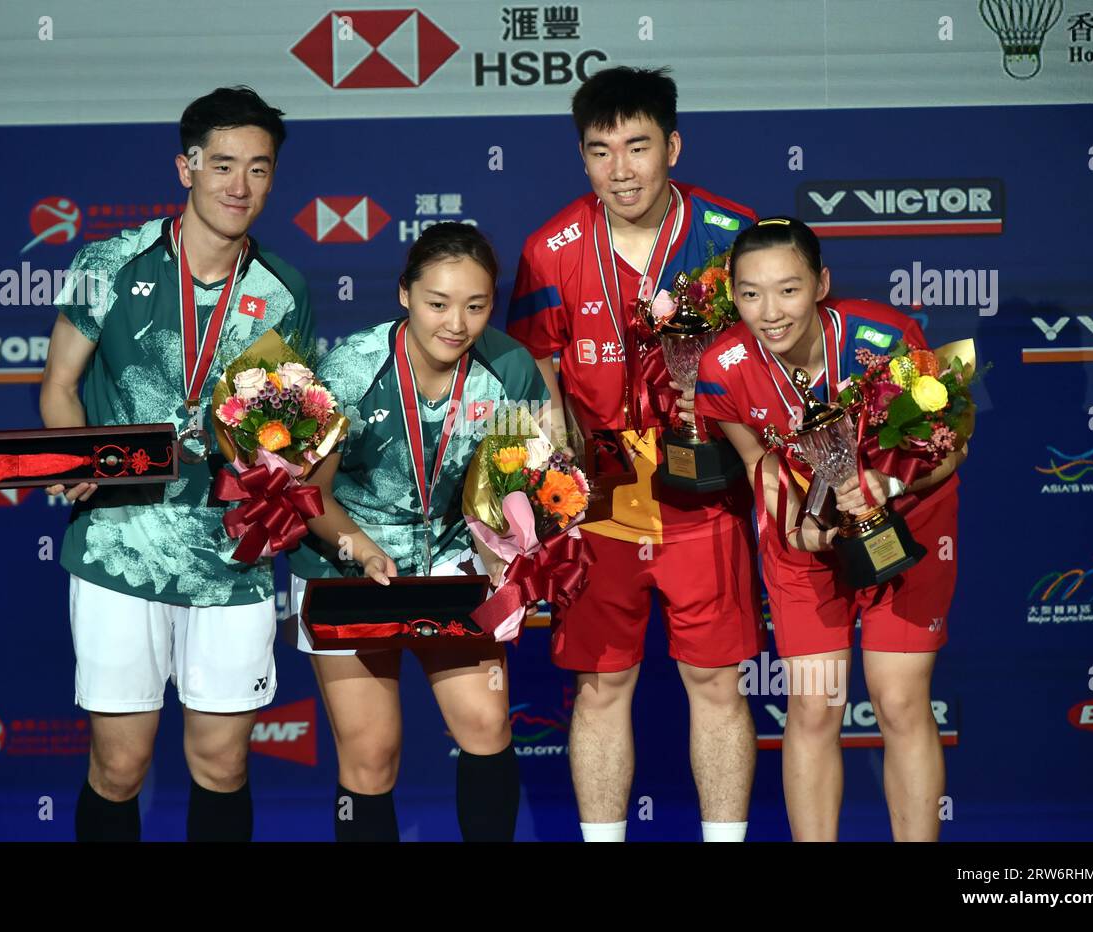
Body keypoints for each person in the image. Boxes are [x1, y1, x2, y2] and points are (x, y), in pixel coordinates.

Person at [40, 86, 313, 842]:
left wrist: (278, 474)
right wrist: (77, 455)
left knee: (221, 766)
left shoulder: (283, 292)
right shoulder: (109, 260)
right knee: (120, 767)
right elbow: (60, 384)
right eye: (222, 165)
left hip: (231, 554)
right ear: (185, 167)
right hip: (117, 544)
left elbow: (289, 428)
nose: (239, 186)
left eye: (259, 169)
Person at [506, 65, 764, 843]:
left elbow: (781, 353)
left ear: (673, 147)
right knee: (599, 684)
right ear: (583, 158)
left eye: (639, 146)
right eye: (601, 151)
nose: (621, 170)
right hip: (602, 494)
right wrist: (557, 478)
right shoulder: (549, 249)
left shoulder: (731, 234)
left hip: (704, 484)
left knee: (715, 680)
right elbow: (537, 370)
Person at [694, 216, 965, 841]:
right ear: (732, 293)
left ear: (821, 284)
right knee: (815, 706)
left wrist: (891, 486)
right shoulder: (721, 364)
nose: (770, 311)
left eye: (788, 289)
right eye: (751, 293)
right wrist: (797, 531)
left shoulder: (887, 338)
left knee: (898, 701)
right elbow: (759, 462)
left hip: (903, 529)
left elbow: (951, 449)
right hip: (806, 547)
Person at [284, 222, 549, 842]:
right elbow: (308, 495)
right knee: (371, 756)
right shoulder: (349, 367)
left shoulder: (510, 369)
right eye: (438, 303)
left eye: (476, 305)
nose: (456, 323)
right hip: (347, 567)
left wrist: (503, 554)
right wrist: (361, 547)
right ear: (405, 294)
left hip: (454, 564)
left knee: (486, 725)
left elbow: (524, 489)